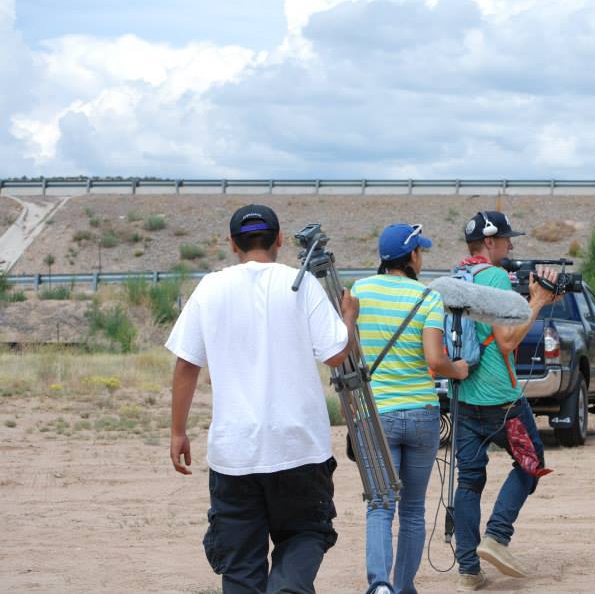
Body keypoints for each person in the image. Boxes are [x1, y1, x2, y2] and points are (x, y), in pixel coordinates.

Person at [166, 204, 358, 594]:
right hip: (300, 447)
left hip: (235, 453)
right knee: (304, 534)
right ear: (281, 239)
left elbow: (187, 365)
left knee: (239, 565)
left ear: (232, 243)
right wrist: (348, 318)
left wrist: (177, 432)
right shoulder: (300, 283)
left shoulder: (210, 287)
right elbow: (337, 355)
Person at [352, 223, 469, 594]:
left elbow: (349, 348)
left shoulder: (360, 291)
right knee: (413, 510)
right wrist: (459, 369)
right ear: (412, 257)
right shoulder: (427, 297)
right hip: (421, 413)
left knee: (380, 506)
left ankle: (380, 586)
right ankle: (404, 587)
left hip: (376, 415)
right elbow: (436, 360)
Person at [453, 210, 561, 591]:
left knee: (468, 482)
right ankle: (497, 537)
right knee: (531, 465)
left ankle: (468, 569)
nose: (511, 245)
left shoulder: (457, 278)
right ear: (488, 242)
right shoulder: (496, 277)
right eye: (506, 239)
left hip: (464, 399)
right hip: (503, 400)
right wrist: (537, 302)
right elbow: (508, 342)